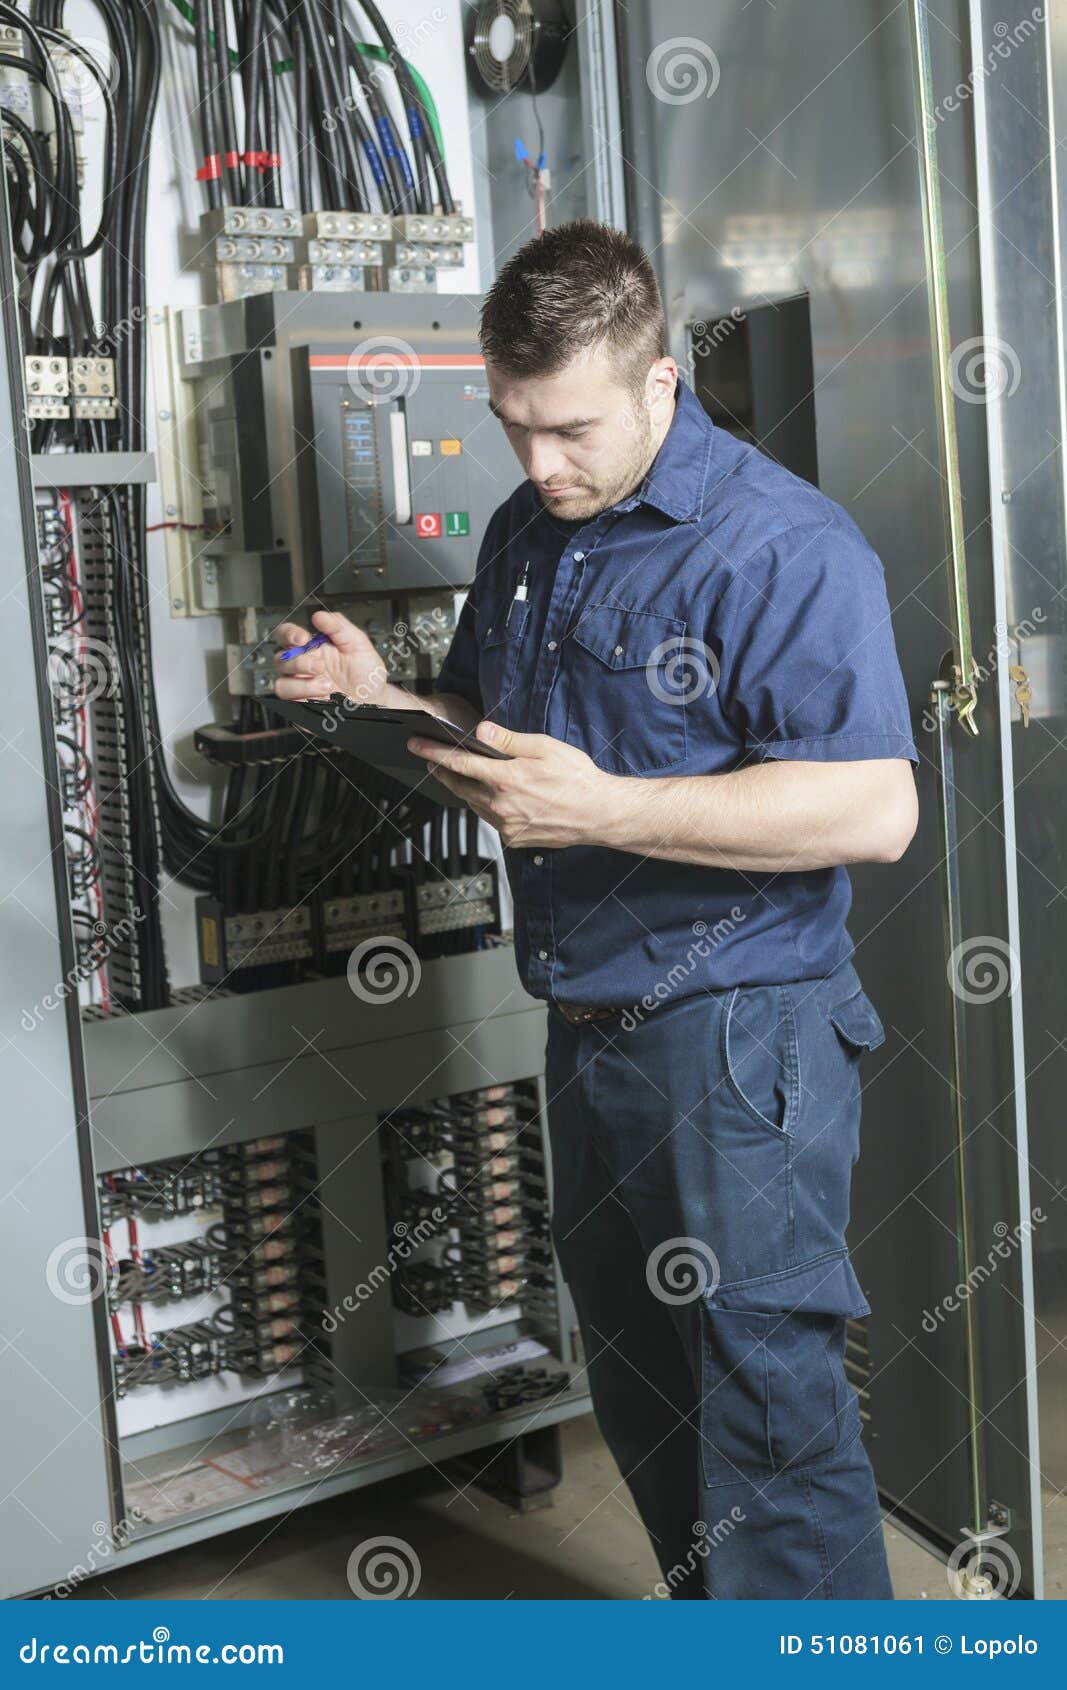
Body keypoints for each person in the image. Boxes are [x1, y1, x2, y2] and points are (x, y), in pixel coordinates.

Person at [274, 219, 918, 1599]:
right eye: (513, 426)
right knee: (650, 1397)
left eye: (567, 428)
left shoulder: (784, 545)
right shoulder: (531, 531)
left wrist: (608, 809)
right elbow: (490, 734)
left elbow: (874, 810)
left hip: (740, 1041)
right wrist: (375, 700)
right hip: (591, 1032)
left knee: (769, 1423)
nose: (537, 461)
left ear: (658, 383)